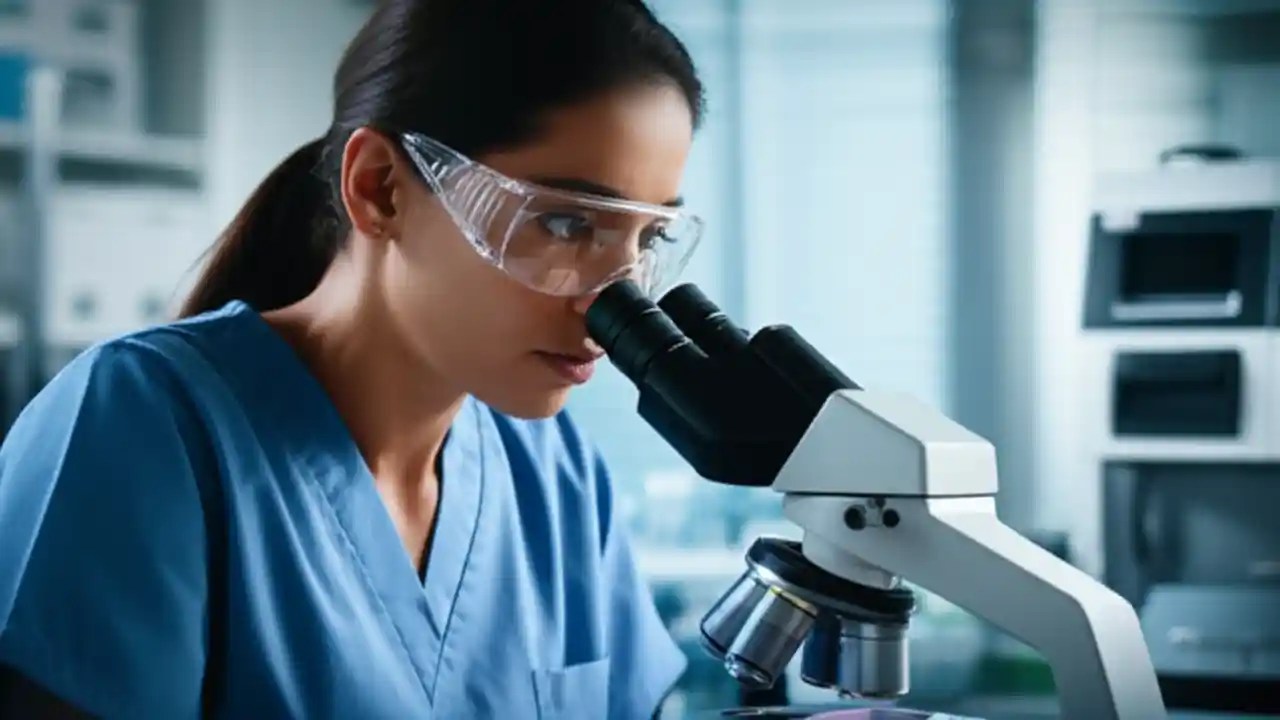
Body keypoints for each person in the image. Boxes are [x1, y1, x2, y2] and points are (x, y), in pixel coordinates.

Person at [0, 0, 707, 716]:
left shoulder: (556, 479)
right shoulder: (146, 426)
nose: (613, 306)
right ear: (381, 189)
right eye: (566, 222)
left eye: (644, 243)